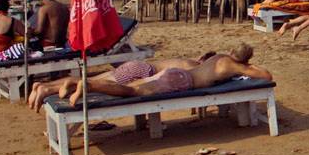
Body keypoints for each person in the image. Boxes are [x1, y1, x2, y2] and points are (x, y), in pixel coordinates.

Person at [65, 43, 273, 107]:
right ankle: (88, 86)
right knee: (132, 92)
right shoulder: (236, 66)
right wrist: (249, 66)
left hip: (174, 73)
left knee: (134, 86)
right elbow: (266, 76)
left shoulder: (219, 56)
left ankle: (80, 83)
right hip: (180, 81)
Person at [29, 50, 220, 111]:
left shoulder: (182, 59)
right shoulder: (193, 64)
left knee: (90, 78)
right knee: (101, 86)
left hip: (137, 65)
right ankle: (48, 91)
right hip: (142, 71)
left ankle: (45, 86)